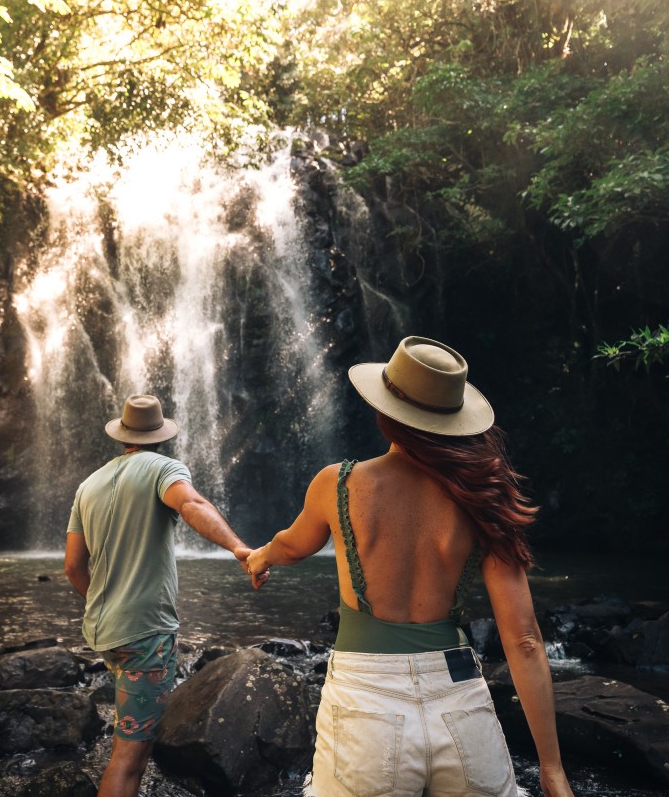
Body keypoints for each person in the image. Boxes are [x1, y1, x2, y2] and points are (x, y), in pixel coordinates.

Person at [245, 336, 575, 797]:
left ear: (385, 413)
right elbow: (523, 639)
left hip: (365, 707)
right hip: (459, 702)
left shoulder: (335, 484)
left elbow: (292, 545)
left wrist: (260, 556)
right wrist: (553, 770)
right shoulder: (482, 497)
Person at [65, 393, 257, 797]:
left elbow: (72, 567)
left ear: (123, 436)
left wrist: (103, 601)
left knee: (127, 737)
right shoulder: (164, 468)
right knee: (129, 758)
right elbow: (191, 503)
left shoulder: (88, 485)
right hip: (145, 634)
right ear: (160, 435)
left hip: (106, 631)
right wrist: (239, 548)